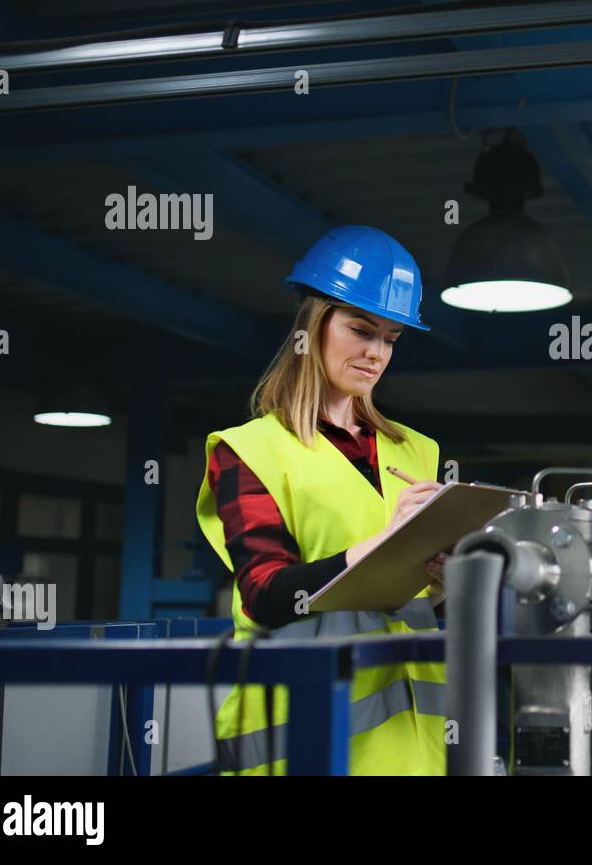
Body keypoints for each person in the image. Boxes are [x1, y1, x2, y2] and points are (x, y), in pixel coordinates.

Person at [195, 225, 448, 775]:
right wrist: (388, 545)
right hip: (304, 740)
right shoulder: (251, 450)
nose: (376, 352)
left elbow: (426, 610)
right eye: (361, 329)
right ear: (313, 326)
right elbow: (265, 594)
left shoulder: (418, 451)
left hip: (414, 746)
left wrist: (451, 584)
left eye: (391, 338)